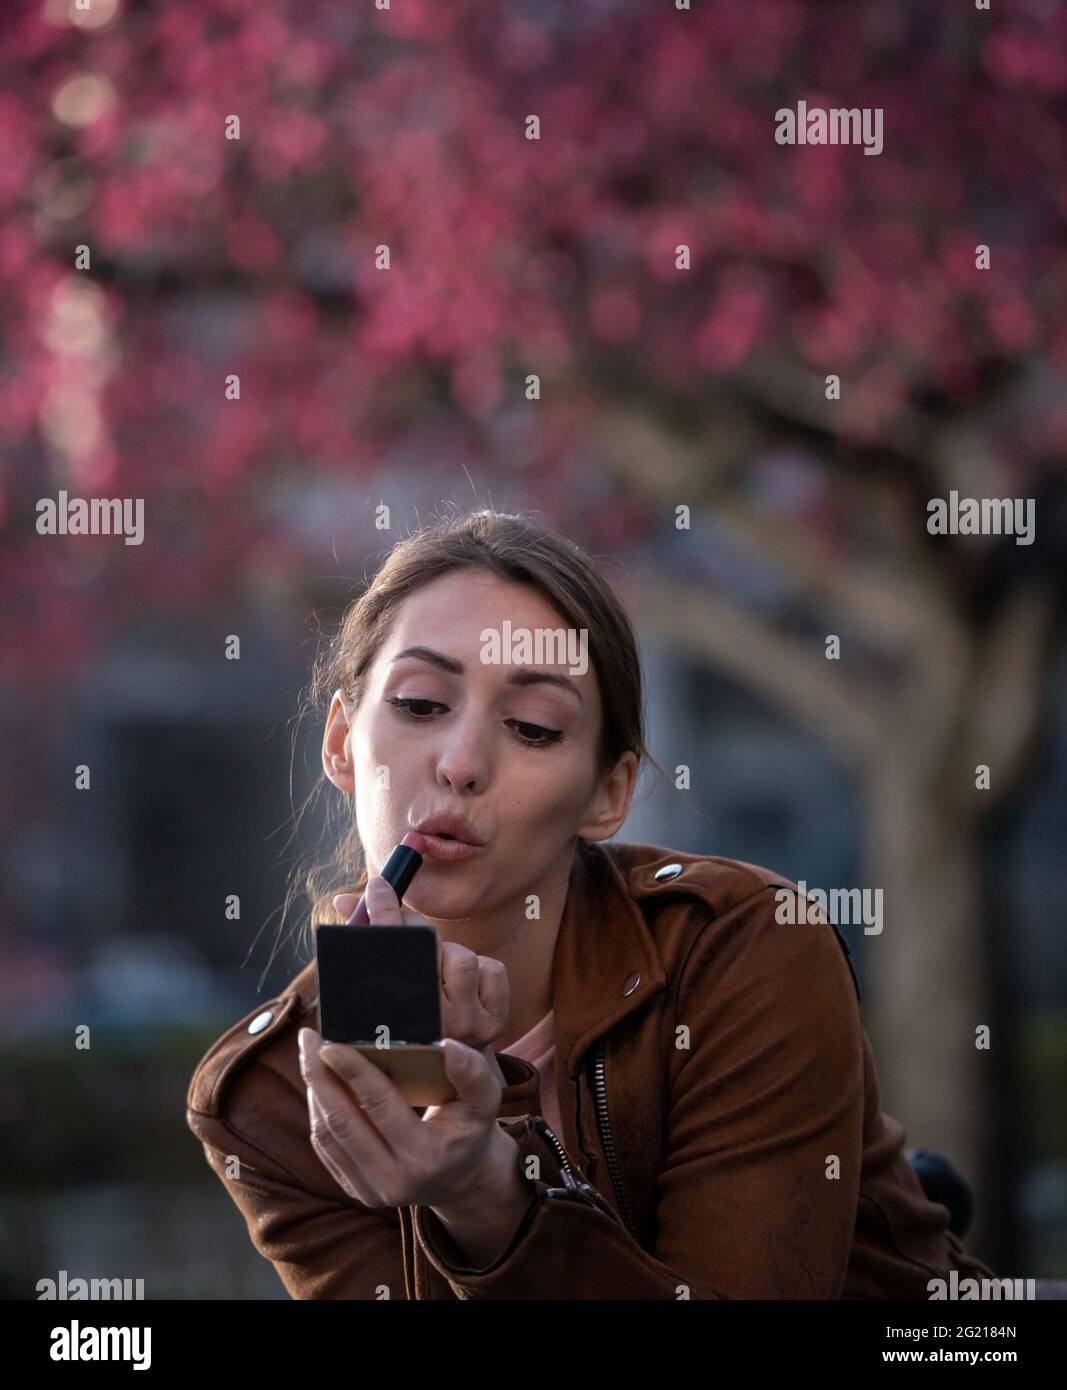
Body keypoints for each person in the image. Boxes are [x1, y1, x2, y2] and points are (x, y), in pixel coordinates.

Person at [186, 507, 997, 1299]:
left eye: (534, 726)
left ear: (608, 795)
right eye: (421, 705)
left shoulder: (736, 947)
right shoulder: (269, 1101)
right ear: (340, 744)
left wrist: (487, 1190)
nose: (461, 763)